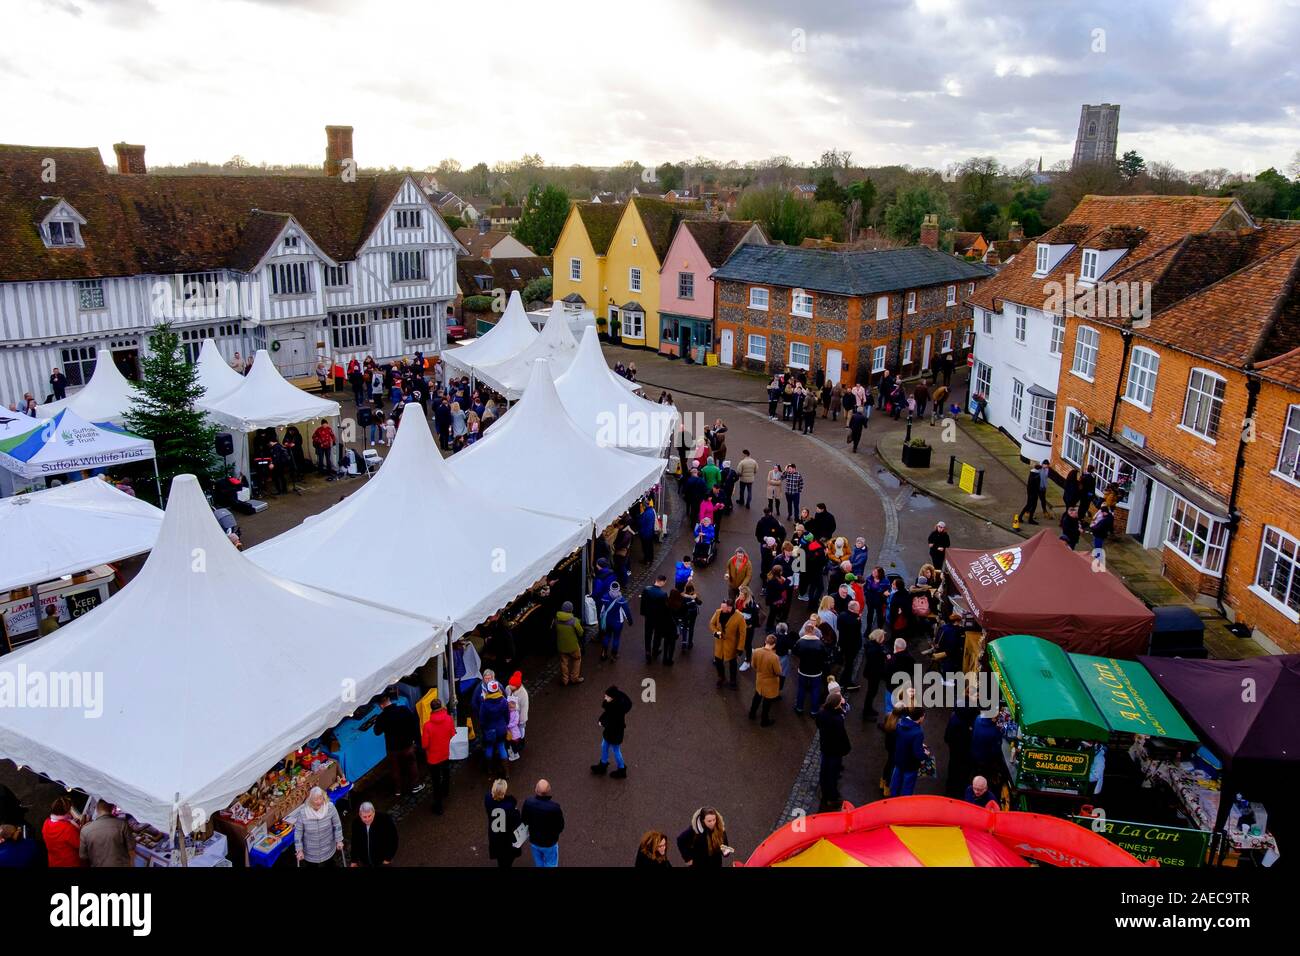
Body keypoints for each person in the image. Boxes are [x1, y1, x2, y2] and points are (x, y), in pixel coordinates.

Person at [373, 692, 424, 797]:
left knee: (395, 768)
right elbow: (413, 723)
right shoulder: (403, 710)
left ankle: (398, 790)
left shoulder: (381, 717)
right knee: (411, 764)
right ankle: (415, 786)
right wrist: (415, 739)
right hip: (407, 744)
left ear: (380, 705)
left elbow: (377, 732)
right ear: (389, 700)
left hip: (392, 748)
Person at [289, 787, 344, 867]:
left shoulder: (330, 808)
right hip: (310, 852)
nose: (319, 802)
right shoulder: (303, 813)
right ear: (310, 800)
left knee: (330, 864)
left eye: (320, 798)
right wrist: (299, 850)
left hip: (328, 847)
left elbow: (337, 824)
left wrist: (339, 840)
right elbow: (298, 832)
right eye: (315, 799)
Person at [816, 691, 852, 807]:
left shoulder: (822, 713)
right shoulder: (837, 719)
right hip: (834, 750)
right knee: (832, 774)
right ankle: (831, 797)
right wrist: (846, 748)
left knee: (824, 771)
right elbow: (841, 736)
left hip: (825, 746)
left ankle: (824, 792)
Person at [421, 699, 456, 814]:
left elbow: (425, 744)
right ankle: (446, 791)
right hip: (445, 753)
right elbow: (452, 733)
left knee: (436, 781)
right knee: (446, 773)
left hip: (433, 757)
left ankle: (438, 806)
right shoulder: (449, 719)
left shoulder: (427, 726)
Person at [591, 685, 633, 778]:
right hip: (612, 732)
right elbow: (607, 715)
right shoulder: (614, 705)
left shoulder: (616, 709)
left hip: (615, 733)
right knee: (604, 746)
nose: (605, 697)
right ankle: (603, 764)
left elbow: (611, 721)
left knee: (616, 750)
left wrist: (602, 723)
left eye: (606, 696)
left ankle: (621, 769)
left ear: (612, 698)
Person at [77, 800, 134, 867]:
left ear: (97, 809)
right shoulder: (123, 825)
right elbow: (131, 848)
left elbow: (83, 856)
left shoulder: (85, 830)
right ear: (112, 808)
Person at [522, 779, 564, 867]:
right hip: (550, 842)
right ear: (549, 791)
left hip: (534, 840)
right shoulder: (554, 808)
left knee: (538, 862)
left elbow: (524, 820)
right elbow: (560, 826)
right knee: (551, 863)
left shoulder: (528, 802)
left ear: (536, 790)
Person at [484, 779, 523, 868]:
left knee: (500, 860)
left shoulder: (488, 800)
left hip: (495, 837)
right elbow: (517, 823)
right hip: (507, 840)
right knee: (507, 861)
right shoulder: (509, 808)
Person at [891, 707, 927, 797]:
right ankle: (904, 807)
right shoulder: (918, 732)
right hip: (910, 765)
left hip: (899, 760)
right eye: (923, 716)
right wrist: (925, 754)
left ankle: (892, 802)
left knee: (895, 784)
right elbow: (917, 753)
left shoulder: (900, 723)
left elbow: (903, 739)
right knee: (907, 788)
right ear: (920, 717)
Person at [792, 623, 827, 715]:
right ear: (813, 631)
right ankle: (814, 711)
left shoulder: (800, 642)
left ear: (805, 631)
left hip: (803, 669)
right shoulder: (820, 643)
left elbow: (795, 652)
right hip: (816, 671)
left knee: (801, 689)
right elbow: (824, 655)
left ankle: (799, 708)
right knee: (815, 690)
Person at [710, 598, 746, 689]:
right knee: (719, 663)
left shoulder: (739, 617)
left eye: (724, 608)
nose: (721, 609)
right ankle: (721, 678)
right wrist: (716, 633)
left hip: (731, 645)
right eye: (721, 607)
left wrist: (740, 647)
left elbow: (742, 633)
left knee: (732, 664)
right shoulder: (718, 612)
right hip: (719, 644)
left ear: (730, 608)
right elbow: (712, 624)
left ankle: (733, 680)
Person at [349, 802, 398, 867]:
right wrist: (354, 860)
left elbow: (394, 839)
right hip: (364, 862)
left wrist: (388, 859)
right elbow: (355, 842)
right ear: (360, 815)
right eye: (364, 817)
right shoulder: (356, 823)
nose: (367, 819)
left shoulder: (385, 819)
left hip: (382, 861)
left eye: (369, 816)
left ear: (374, 812)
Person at [748, 634, 782, 726]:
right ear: (774, 644)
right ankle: (764, 720)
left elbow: (753, 665)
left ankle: (752, 713)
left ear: (765, 641)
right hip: (770, 682)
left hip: (760, 679)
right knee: (767, 701)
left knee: (757, 696)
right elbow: (778, 672)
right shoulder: (774, 657)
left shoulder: (756, 651)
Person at [641, 574, 673, 664]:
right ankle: (655, 650)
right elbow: (666, 609)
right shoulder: (663, 594)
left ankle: (647, 651)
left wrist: (643, 613)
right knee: (657, 635)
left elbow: (643, 603)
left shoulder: (646, 590)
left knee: (648, 634)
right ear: (662, 582)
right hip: (659, 619)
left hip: (648, 617)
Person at [600, 581, 634, 662]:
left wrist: (601, 619)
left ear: (610, 588)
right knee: (616, 638)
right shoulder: (621, 599)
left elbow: (602, 611)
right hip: (618, 622)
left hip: (608, 621)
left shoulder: (605, 597)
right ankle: (613, 655)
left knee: (607, 636)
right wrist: (630, 621)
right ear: (618, 589)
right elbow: (626, 612)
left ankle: (604, 653)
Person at [554, 601, 585, 686]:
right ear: (571, 610)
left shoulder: (556, 619)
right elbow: (581, 632)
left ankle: (565, 680)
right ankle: (574, 678)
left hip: (561, 646)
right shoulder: (574, 621)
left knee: (563, 662)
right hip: (573, 646)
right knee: (577, 659)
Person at [837, 601, 863, 689]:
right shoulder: (856, 621)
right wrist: (858, 619)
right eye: (858, 609)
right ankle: (845, 682)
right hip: (852, 646)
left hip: (843, 643)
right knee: (849, 664)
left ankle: (843, 681)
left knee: (847, 663)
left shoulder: (841, 615)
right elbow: (856, 632)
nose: (859, 611)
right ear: (853, 610)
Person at [677, 580, 702, 651]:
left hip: (685, 613)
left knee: (684, 627)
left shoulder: (683, 596)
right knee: (691, 627)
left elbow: (680, 606)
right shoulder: (694, 596)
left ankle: (684, 643)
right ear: (692, 589)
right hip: (693, 613)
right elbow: (700, 603)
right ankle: (690, 643)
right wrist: (696, 598)